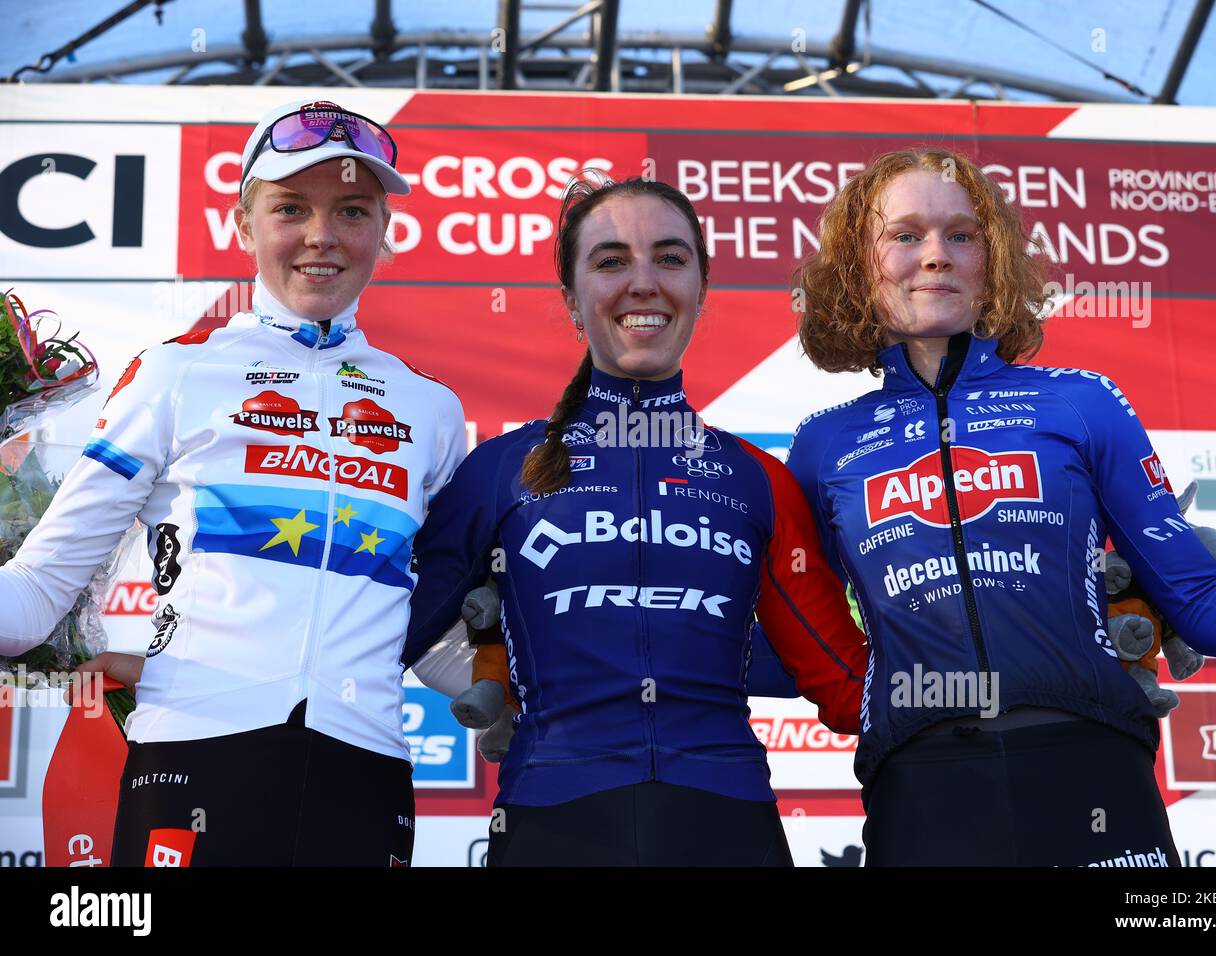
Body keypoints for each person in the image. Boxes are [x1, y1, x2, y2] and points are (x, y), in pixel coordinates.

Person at [788, 147, 1216, 866]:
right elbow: (795, 642)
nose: (935, 256)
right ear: (856, 269)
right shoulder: (822, 446)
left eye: (961, 235)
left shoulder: (1081, 401)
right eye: (904, 236)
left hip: (1092, 767)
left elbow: (1200, 599)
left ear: (991, 259)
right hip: (922, 788)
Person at [0, 99, 467, 866]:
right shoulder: (177, 375)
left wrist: (539, 692)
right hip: (194, 759)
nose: (322, 236)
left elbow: (433, 637)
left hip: (368, 773)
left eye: (352, 210)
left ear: (384, 231)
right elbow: (31, 600)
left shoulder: (430, 409)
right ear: (246, 226)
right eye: (291, 208)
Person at [402, 173, 867, 866]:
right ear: (571, 300)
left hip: (725, 817)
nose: (643, 282)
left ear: (700, 292)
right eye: (611, 260)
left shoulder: (757, 480)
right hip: (551, 815)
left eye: (670, 258)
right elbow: (394, 626)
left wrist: (984, 697)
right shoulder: (502, 469)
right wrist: (494, 684)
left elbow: (840, 680)